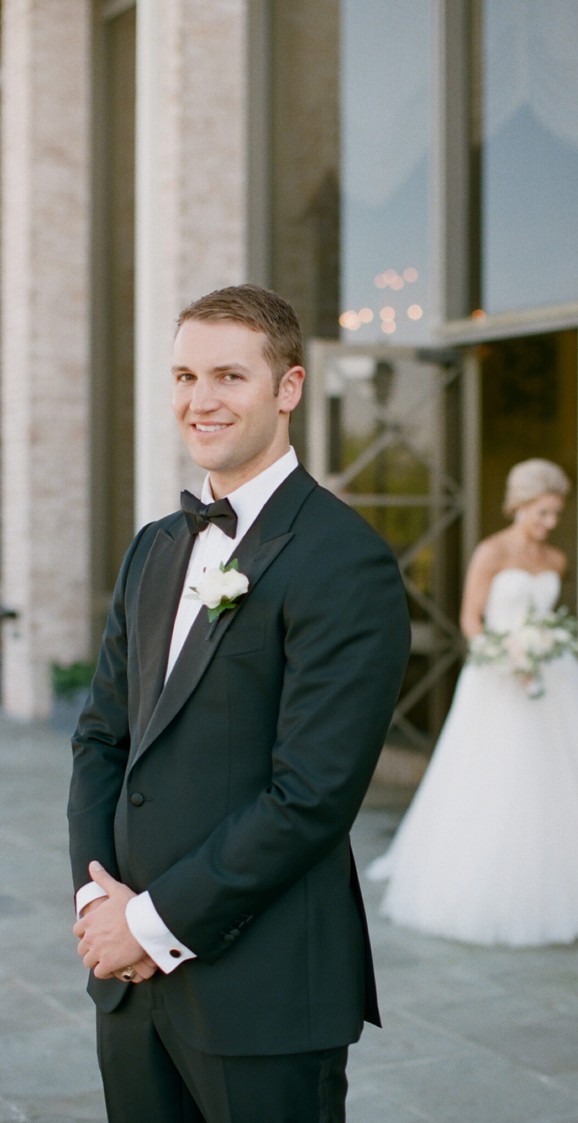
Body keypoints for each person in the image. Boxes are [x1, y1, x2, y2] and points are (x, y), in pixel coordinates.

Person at [68, 284, 412, 1121]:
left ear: (288, 388)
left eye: (229, 375)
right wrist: (97, 904)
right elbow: (101, 737)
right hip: (129, 990)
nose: (201, 400)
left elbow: (311, 795)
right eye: (185, 376)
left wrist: (149, 924)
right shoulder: (153, 547)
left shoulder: (345, 560)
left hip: (263, 996)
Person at [372, 458, 578, 946]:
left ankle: (570, 883)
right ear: (520, 505)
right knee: (495, 774)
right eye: (543, 512)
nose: (550, 522)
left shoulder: (556, 560)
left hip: (553, 680)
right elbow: (471, 619)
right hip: (497, 677)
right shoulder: (491, 551)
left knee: (559, 777)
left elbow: (549, 616)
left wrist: (544, 649)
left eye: (555, 513)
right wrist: (507, 657)